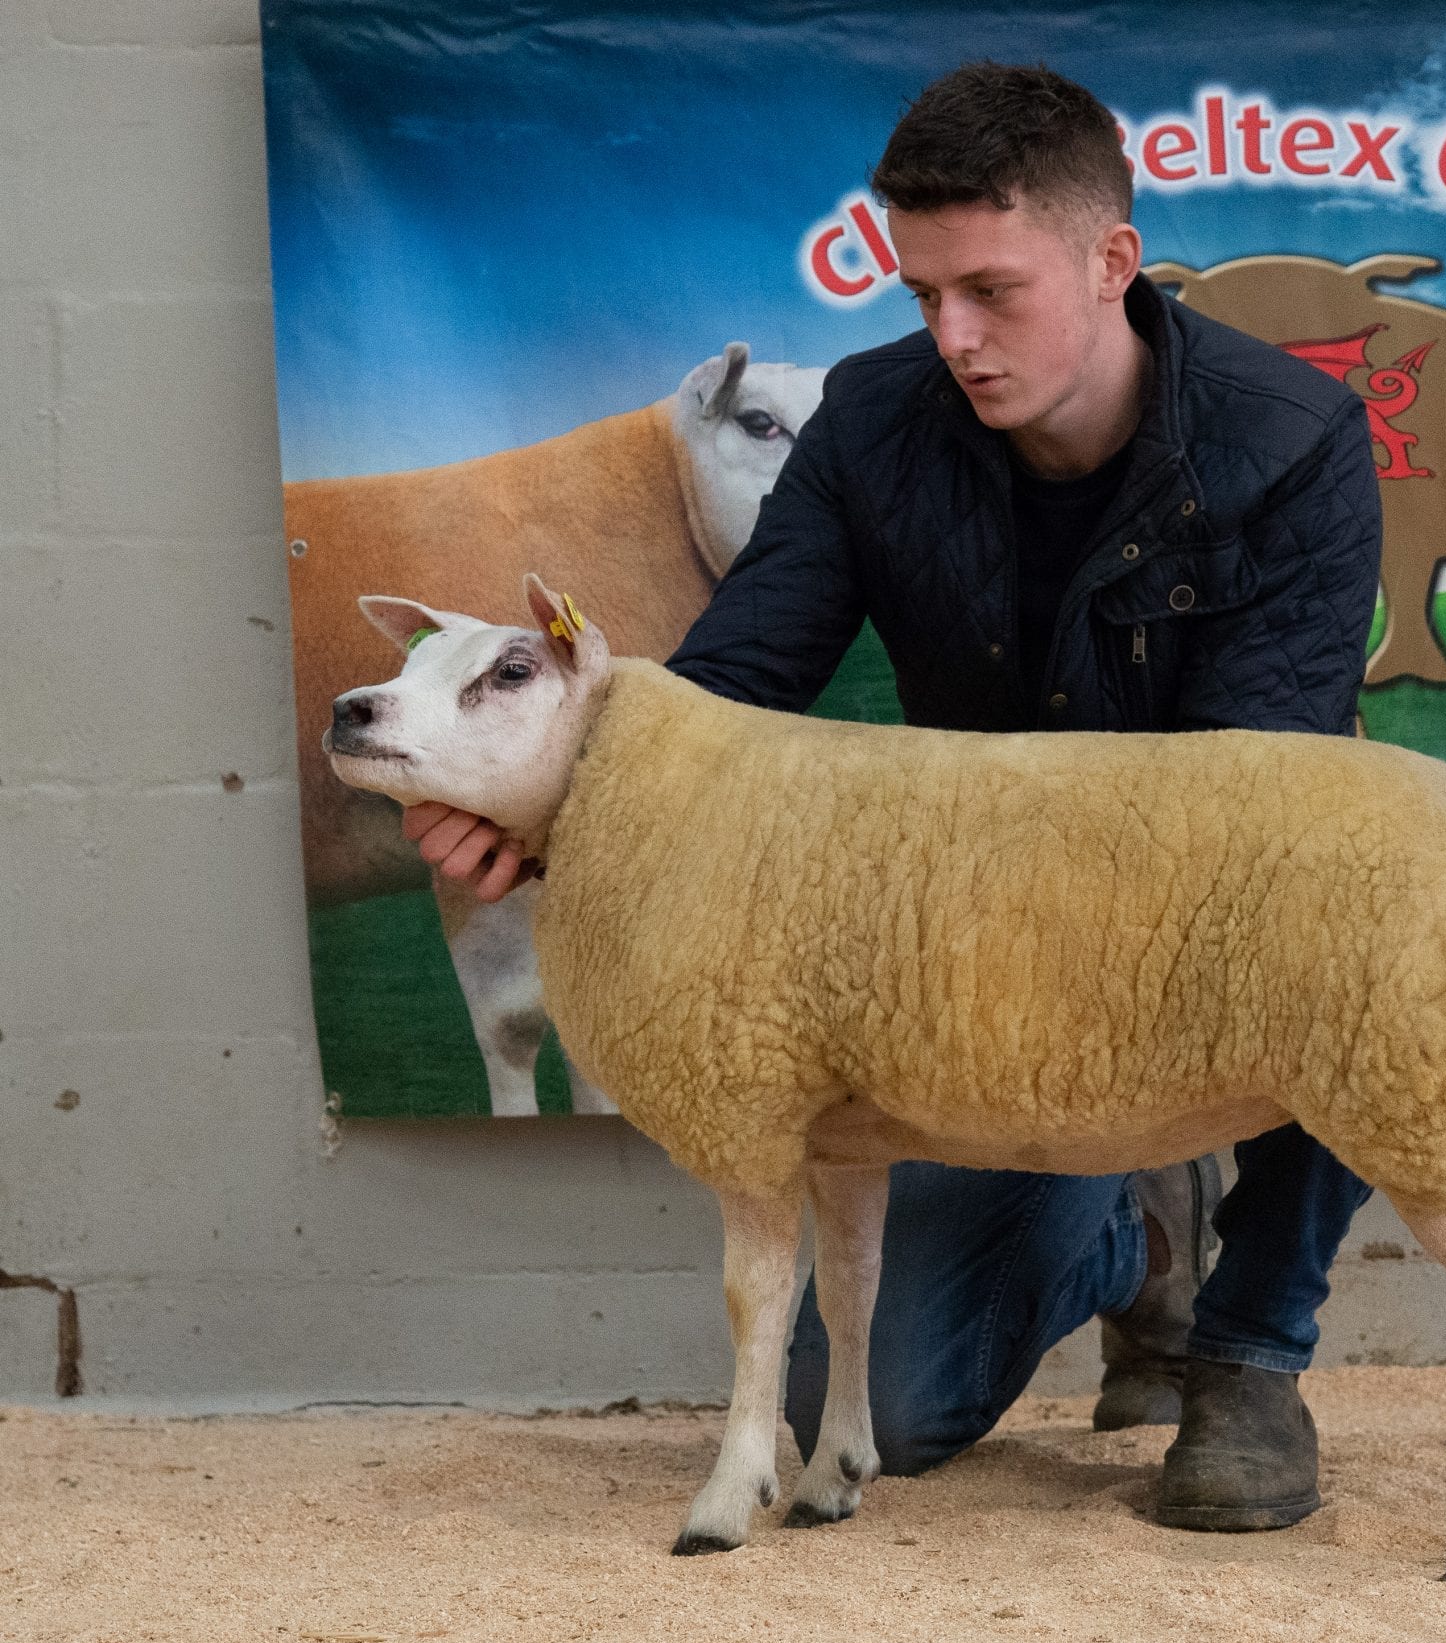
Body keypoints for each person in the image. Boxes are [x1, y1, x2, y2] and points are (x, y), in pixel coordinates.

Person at [406, 60, 1384, 1531]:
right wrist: (552, 803)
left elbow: (1258, 798)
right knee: (874, 1411)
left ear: (1114, 259)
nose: (954, 337)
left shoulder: (1295, 442)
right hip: (982, 976)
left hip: (1216, 912)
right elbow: (734, 682)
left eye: (992, 290)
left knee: (1358, 925)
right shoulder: (872, 423)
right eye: (923, 294)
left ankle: (1246, 1346)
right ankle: (1131, 1246)